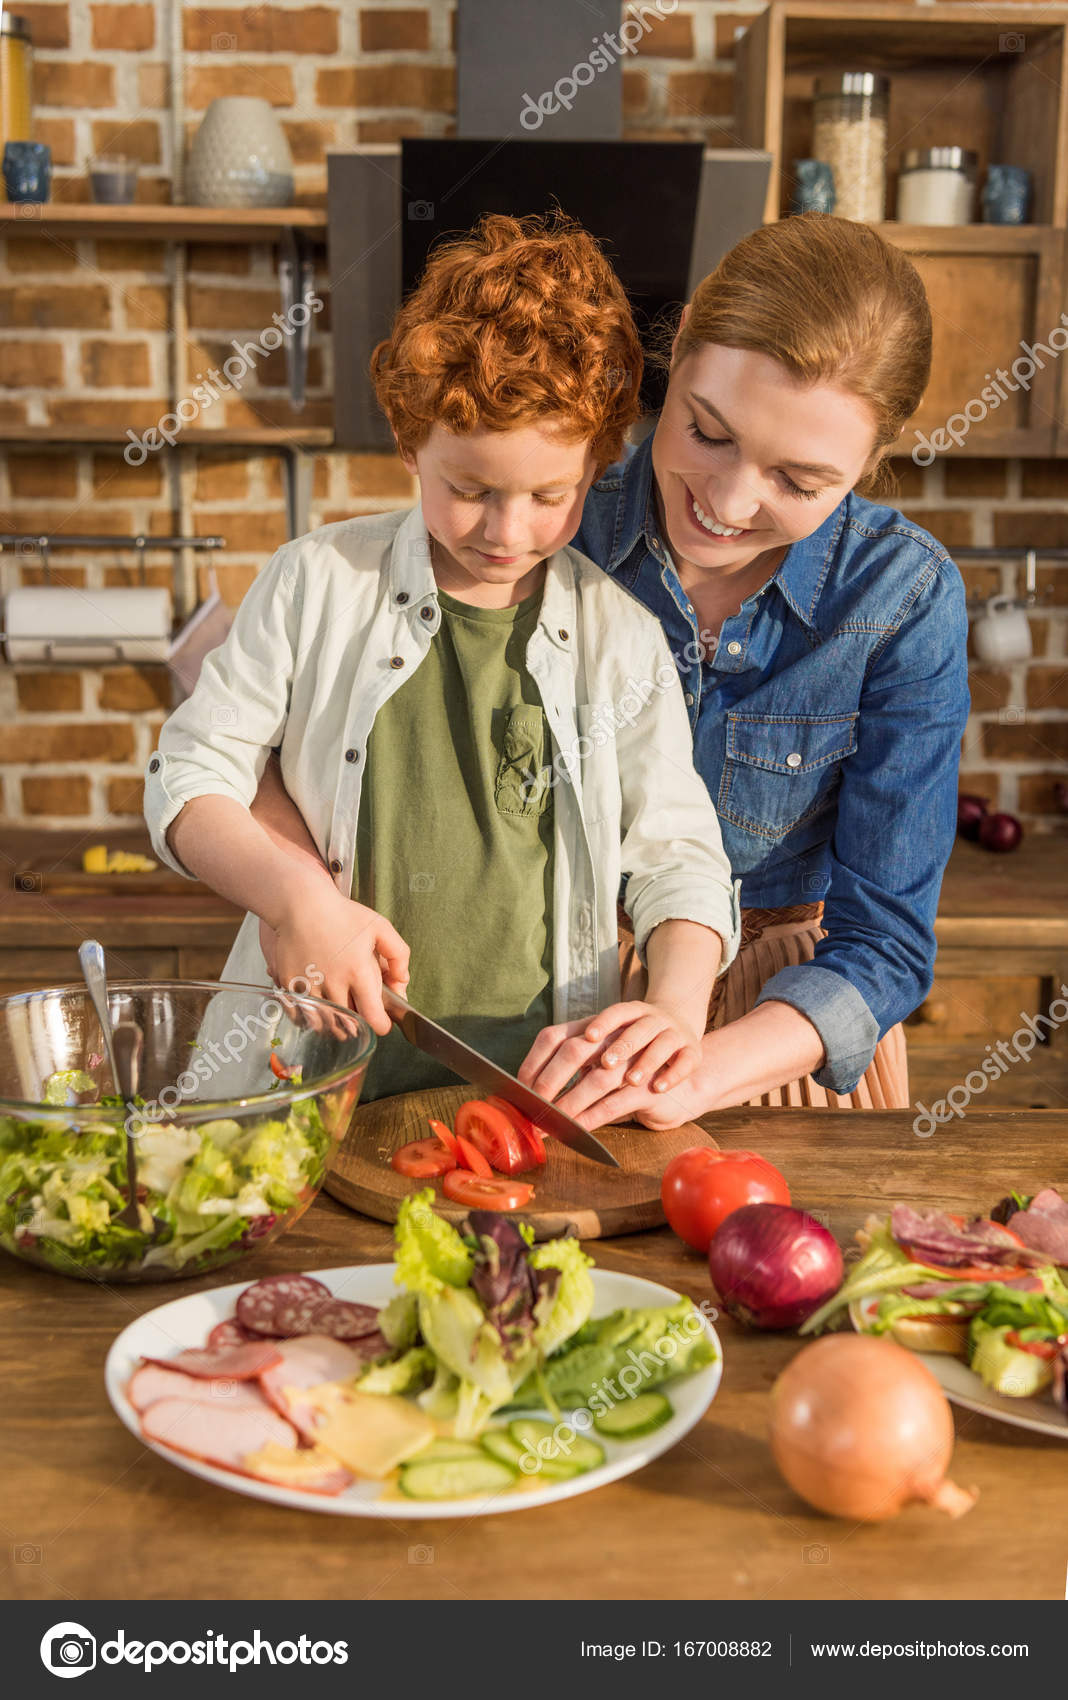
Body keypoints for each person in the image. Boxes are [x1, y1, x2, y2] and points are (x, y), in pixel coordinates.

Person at [143, 213, 739, 1108]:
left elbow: (680, 856)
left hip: (539, 1089)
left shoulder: (621, 636)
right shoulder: (316, 582)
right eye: (469, 490)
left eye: (551, 495)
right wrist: (295, 903)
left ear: (598, 466)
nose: (507, 532)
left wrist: (678, 1006)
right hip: (308, 1080)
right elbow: (188, 776)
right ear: (410, 441)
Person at [522, 214, 969, 1129]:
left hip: (777, 1034)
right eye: (707, 430)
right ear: (678, 345)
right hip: (551, 996)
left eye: (799, 483)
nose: (726, 504)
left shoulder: (903, 596)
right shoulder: (544, 528)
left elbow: (883, 945)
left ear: (869, 464)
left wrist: (693, 1068)